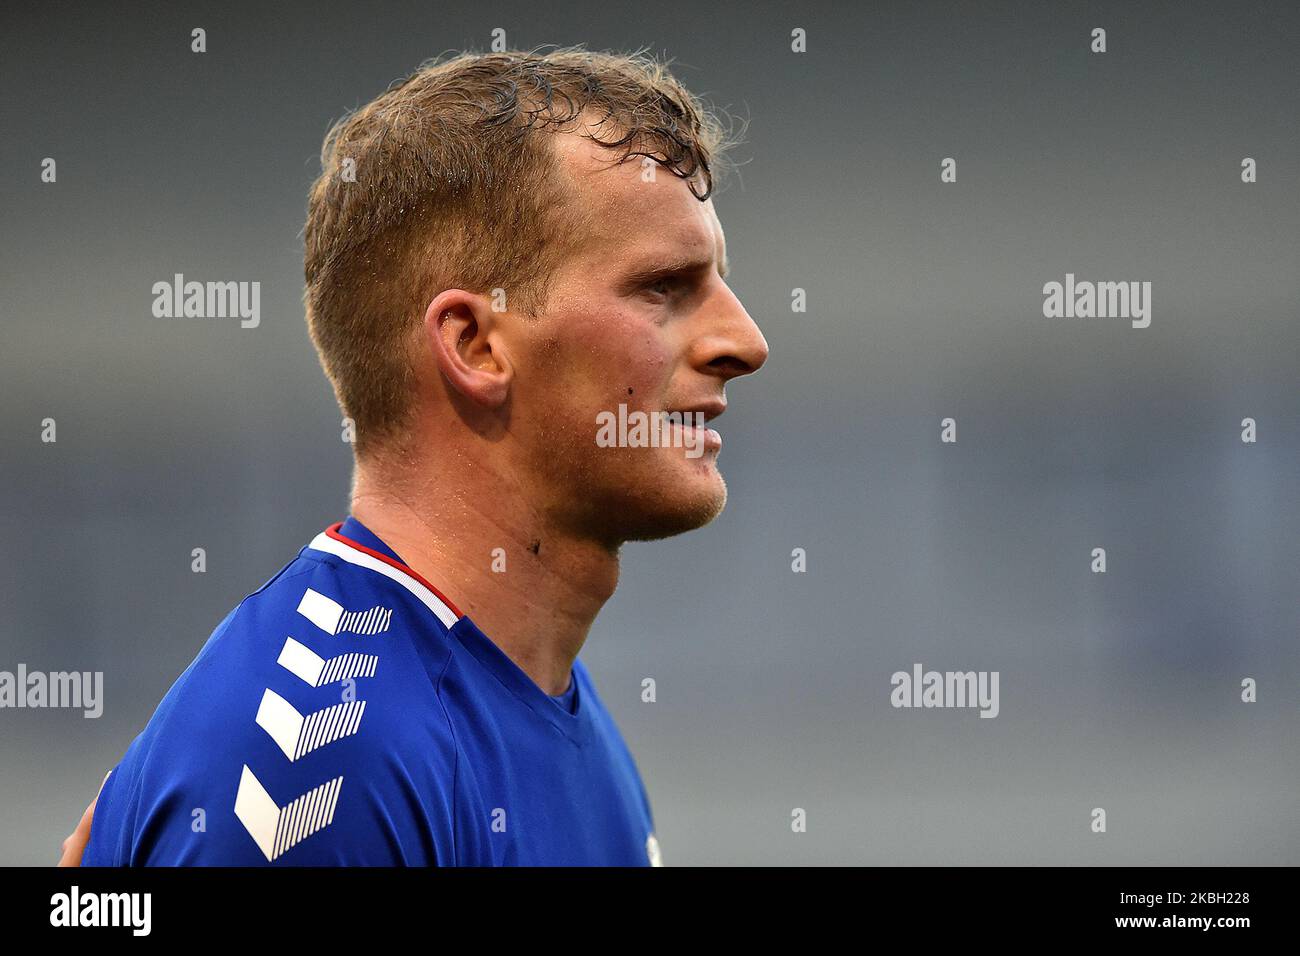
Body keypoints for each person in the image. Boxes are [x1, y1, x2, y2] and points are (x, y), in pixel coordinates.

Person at [68, 46, 768, 866]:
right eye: (663, 287)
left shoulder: (551, 711)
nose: (745, 342)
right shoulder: (323, 763)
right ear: (474, 345)